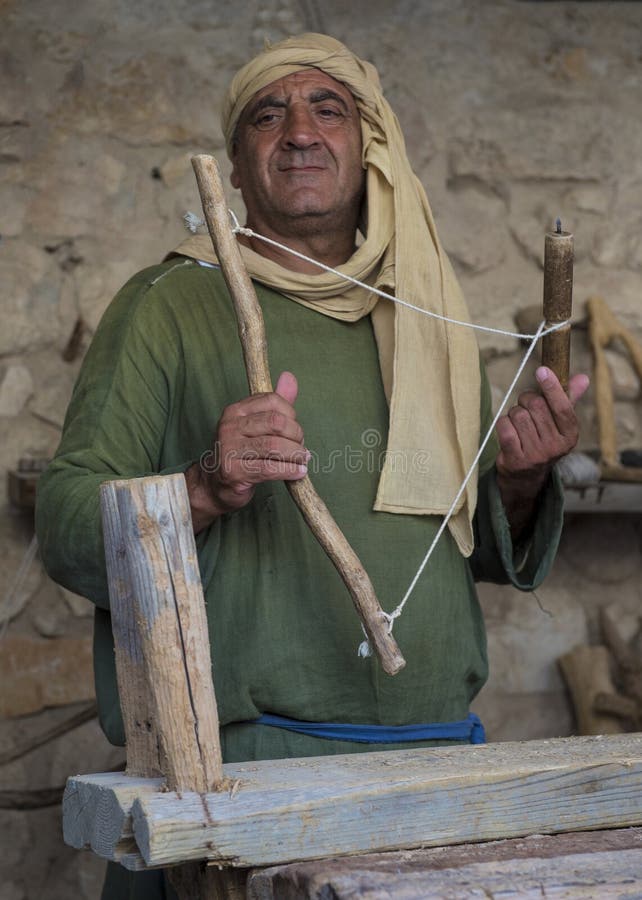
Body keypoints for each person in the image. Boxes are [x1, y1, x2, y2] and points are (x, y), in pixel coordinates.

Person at [36, 33, 588, 899]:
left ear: (368, 144)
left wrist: (518, 479)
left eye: (327, 108)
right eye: (269, 113)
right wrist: (205, 485)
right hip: (241, 786)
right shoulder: (168, 306)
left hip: (437, 779)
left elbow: (476, 552)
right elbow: (67, 527)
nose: (299, 131)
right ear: (237, 161)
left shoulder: (430, 317)